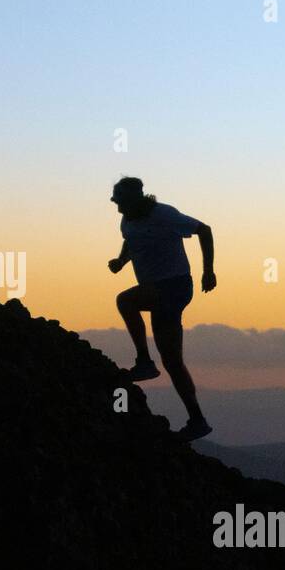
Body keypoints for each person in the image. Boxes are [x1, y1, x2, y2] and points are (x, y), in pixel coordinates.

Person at [107, 176, 216, 441]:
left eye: (120, 201)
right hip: (158, 291)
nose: (117, 207)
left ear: (134, 198)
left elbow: (204, 229)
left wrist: (208, 272)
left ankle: (144, 362)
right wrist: (121, 261)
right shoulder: (128, 220)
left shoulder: (164, 214)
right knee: (172, 361)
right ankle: (198, 420)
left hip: (175, 285)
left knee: (125, 300)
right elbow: (130, 240)